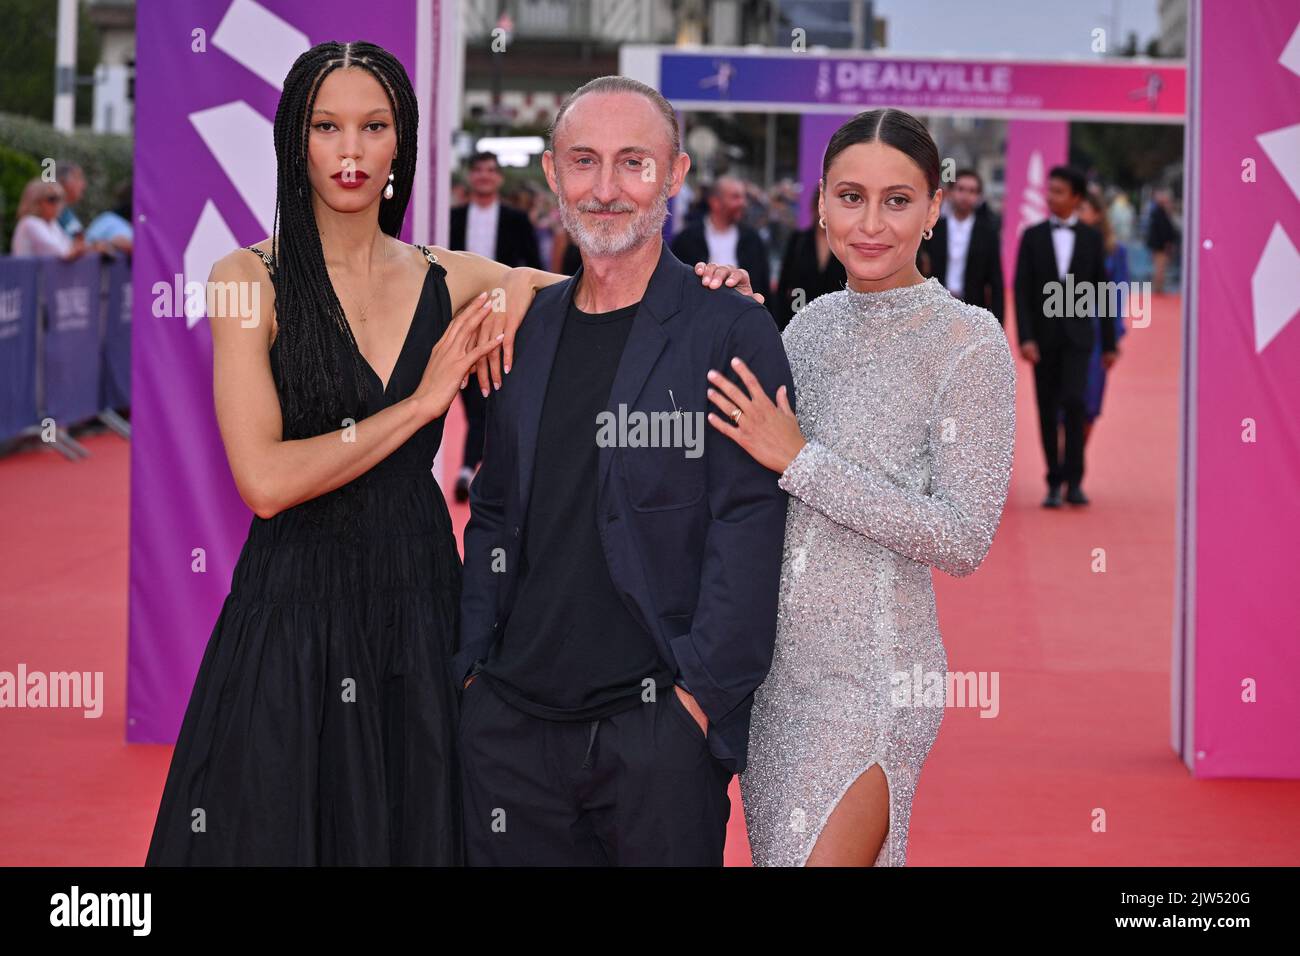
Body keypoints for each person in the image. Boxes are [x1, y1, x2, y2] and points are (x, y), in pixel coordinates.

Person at [144, 40, 559, 866]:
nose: (351, 151)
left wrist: (702, 285)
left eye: (373, 127)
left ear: (401, 141)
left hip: (420, 606)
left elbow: (600, 295)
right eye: (327, 127)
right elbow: (264, 480)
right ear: (295, 141)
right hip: (294, 615)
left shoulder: (450, 275)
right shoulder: (245, 279)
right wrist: (420, 405)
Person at [454, 75, 793, 866]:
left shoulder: (729, 328)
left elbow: (749, 522)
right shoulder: (523, 333)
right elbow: (495, 512)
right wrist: (470, 674)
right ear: (551, 174)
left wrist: (695, 705)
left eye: (633, 163)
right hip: (510, 729)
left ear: (675, 175)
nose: (605, 189)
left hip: (656, 740)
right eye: (584, 162)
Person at [715, 109, 1014, 866]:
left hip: (879, 681)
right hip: (776, 679)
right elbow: (751, 473)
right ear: (819, 202)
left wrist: (802, 458)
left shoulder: (968, 341)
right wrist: (719, 322)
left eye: (897, 200)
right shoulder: (806, 328)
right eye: (851, 197)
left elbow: (962, 538)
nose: (871, 223)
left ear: (934, 208)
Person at [1014, 165, 1118, 508]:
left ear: (1075, 197)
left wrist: (1110, 343)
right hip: (1043, 340)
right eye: (1049, 189)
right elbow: (1022, 291)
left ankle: (1075, 480)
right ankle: (1053, 481)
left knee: (1074, 403)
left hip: (1078, 338)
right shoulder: (1033, 236)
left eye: (1058, 191)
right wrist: (1026, 338)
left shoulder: (1090, 238)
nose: (1050, 196)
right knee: (1047, 409)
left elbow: (1102, 291)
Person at [448, 151, 544, 502]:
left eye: (491, 171)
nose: (485, 177)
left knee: (485, 395)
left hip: (504, 318)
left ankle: (467, 467)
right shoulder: (452, 218)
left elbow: (533, 266)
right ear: (470, 177)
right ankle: (474, 466)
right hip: (457, 317)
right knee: (464, 393)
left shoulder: (517, 220)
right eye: (479, 170)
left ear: (499, 179)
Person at [672, 175, 773, 312]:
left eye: (744, 197)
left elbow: (764, 288)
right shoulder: (687, 239)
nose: (743, 203)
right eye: (735, 197)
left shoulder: (753, 240)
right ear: (715, 202)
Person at [918, 167, 1005, 325]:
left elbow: (996, 281)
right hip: (934, 308)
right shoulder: (934, 228)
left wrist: (999, 325)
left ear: (979, 196)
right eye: (961, 189)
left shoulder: (988, 234)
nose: (965, 195)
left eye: (972, 191)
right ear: (950, 192)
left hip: (973, 309)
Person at [1075, 191, 1129, 443]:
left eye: (1083, 208)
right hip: (1068, 329)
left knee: (1090, 402)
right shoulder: (1063, 244)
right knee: (1064, 401)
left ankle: (1077, 458)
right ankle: (1064, 460)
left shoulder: (1114, 251)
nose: (1078, 213)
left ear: (1097, 214)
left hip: (1098, 333)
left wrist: (1113, 338)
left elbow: (1118, 293)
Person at [772, 192, 847, 332]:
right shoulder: (798, 240)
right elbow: (784, 283)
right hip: (798, 319)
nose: (824, 213)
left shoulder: (847, 244)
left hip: (836, 326)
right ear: (814, 208)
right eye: (820, 207)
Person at [10, 180, 79, 258]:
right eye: (52, 199)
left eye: (61, 198)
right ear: (36, 201)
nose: (58, 204)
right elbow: (61, 252)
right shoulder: (29, 222)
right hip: (28, 270)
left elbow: (69, 247)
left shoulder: (52, 223)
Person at [1146, 187, 1177, 294]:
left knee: (1160, 267)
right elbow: (1164, 230)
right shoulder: (1159, 213)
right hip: (1159, 245)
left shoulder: (1159, 212)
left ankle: (1158, 287)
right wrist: (1167, 243)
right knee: (1160, 267)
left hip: (1159, 245)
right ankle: (1158, 288)